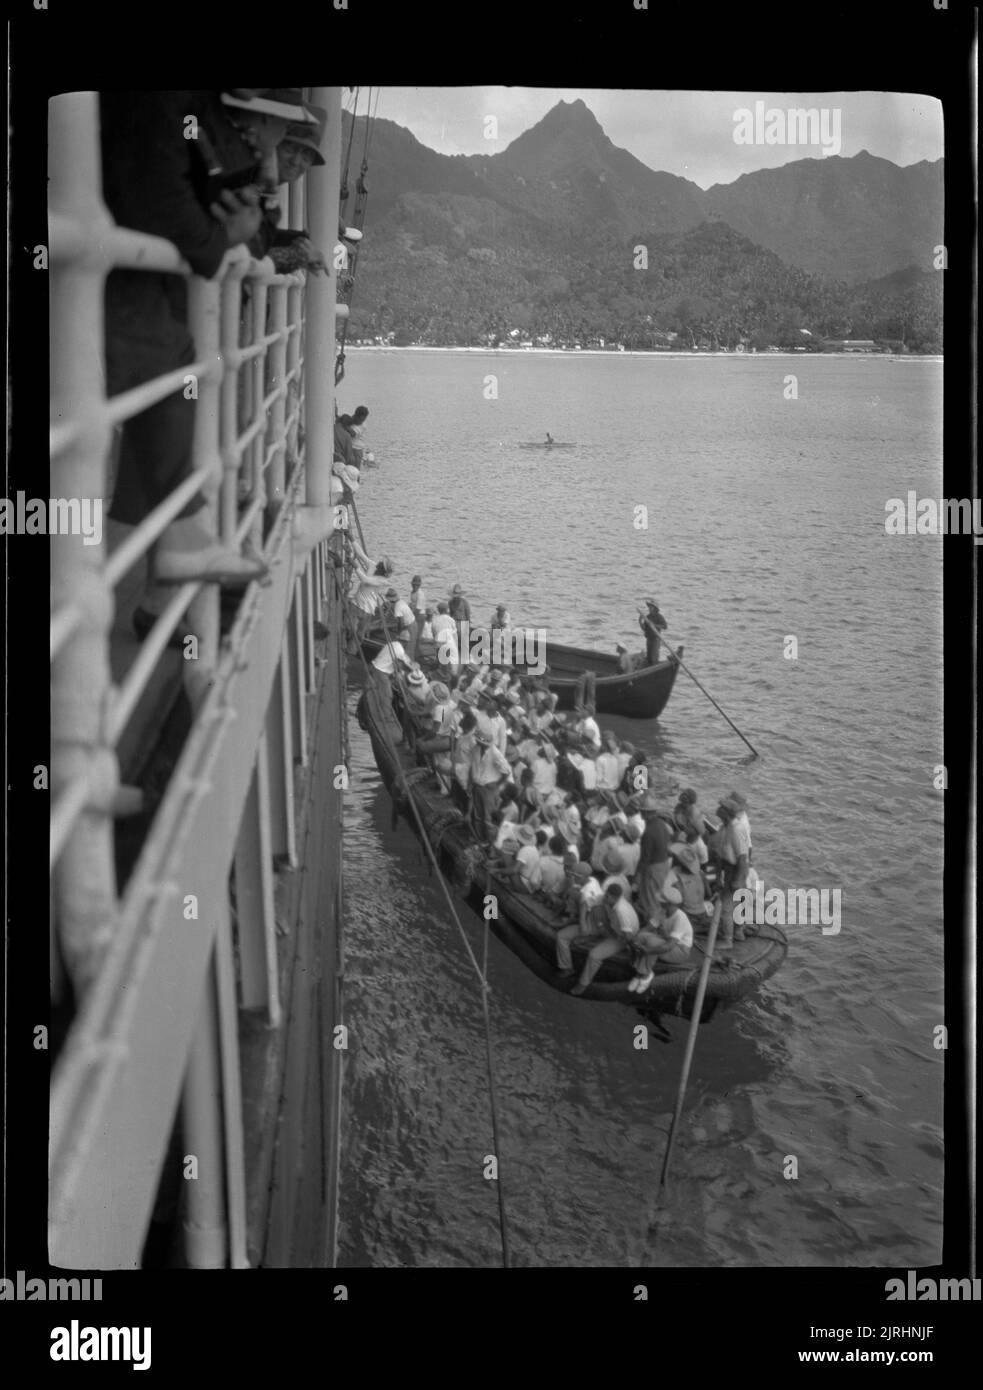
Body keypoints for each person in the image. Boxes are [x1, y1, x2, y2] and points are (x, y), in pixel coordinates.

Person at [100, 89, 298, 629]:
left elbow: (256, 234)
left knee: (174, 410)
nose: (279, 156)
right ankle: (148, 586)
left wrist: (260, 178)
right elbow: (157, 196)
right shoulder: (173, 106)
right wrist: (219, 238)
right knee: (166, 397)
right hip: (135, 301)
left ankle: (160, 584)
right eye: (269, 128)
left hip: (167, 312)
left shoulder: (200, 117)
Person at [570, 882, 639, 994]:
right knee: (596, 909)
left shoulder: (622, 911)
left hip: (622, 938)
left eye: (608, 897)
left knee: (594, 955)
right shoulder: (607, 898)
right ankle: (593, 935)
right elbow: (585, 903)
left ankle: (582, 985)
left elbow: (629, 937)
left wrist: (632, 953)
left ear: (615, 898)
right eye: (606, 895)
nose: (605, 897)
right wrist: (582, 922)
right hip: (611, 927)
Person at [630, 885, 694, 992]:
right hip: (666, 941)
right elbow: (647, 928)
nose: (659, 902)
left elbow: (669, 946)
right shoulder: (662, 911)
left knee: (652, 943)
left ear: (669, 904)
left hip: (680, 951)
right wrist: (635, 940)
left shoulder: (680, 918)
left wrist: (648, 951)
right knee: (641, 937)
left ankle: (645, 975)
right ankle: (640, 973)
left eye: (662, 901)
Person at [555, 862, 604, 974]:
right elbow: (578, 890)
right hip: (599, 917)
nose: (572, 877)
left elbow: (583, 921)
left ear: (579, 877)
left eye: (574, 875)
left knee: (561, 936)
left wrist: (583, 929)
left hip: (592, 922)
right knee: (572, 892)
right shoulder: (593, 880)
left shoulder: (585, 895)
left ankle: (567, 968)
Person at [636, 794, 673, 920]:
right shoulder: (662, 825)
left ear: (646, 813)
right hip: (664, 865)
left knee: (650, 900)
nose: (640, 813)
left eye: (642, 811)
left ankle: (653, 926)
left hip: (654, 868)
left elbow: (645, 858)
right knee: (656, 896)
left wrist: (638, 876)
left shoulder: (648, 832)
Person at [469, 730, 511, 842]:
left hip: (489, 788)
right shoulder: (475, 749)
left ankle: (489, 842)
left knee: (488, 818)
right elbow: (472, 766)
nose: (478, 743)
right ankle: (479, 838)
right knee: (477, 815)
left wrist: (497, 784)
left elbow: (506, 771)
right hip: (477, 785)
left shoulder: (495, 753)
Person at [431, 601, 460, 676]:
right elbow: (455, 636)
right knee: (453, 668)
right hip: (450, 644)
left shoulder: (434, 621)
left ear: (438, 610)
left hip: (440, 645)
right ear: (447, 610)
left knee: (441, 665)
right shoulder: (451, 620)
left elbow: (434, 636)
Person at [639, 599, 668, 665]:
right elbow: (644, 629)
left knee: (654, 657)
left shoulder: (659, 616)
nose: (649, 608)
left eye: (651, 607)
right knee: (649, 658)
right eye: (649, 606)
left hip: (656, 639)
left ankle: (655, 666)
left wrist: (654, 625)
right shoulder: (648, 617)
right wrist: (640, 621)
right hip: (649, 639)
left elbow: (665, 626)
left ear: (655, 608)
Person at [448, 583, 471, 657]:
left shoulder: (464, 602)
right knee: (454, 642)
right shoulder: (450, 602)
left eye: (458, 596)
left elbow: (468, 615)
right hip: (454, 623)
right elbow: (450, 614)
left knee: (464, 643)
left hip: (463, 623)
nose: (456, 597)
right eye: (455, 596)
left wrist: (468, 626)